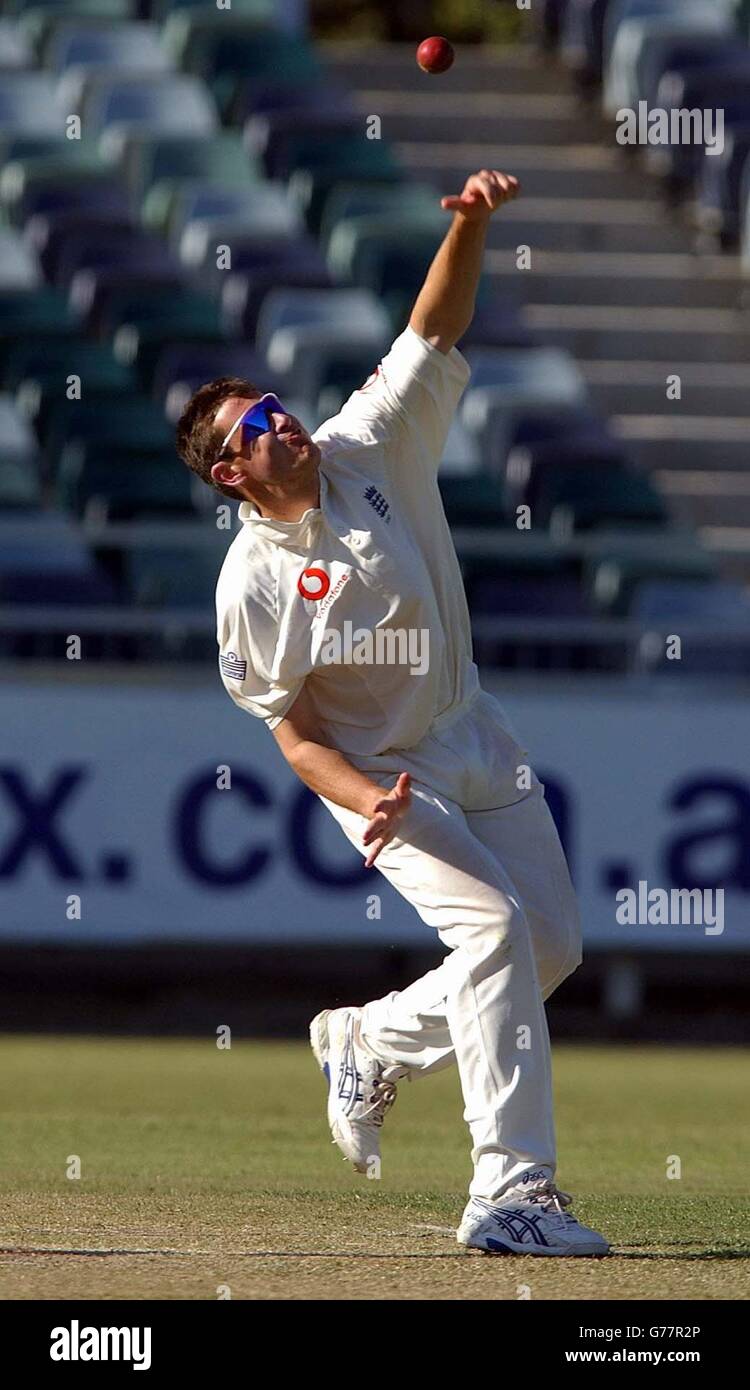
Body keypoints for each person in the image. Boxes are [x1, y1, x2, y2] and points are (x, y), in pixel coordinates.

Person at [176, 169, 609, 1257]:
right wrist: (368, 797)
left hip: (475, 729)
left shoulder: (366, 441)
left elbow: (432, 324)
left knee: (550, 942)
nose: (285, 423)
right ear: (232, 472)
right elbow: (289, 732)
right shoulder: (252, 588)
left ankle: (366, 1040)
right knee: (494, 929)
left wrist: (466, 225)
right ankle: (509, 1193)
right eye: (260, 425)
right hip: (388, 774)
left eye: (277, 405)